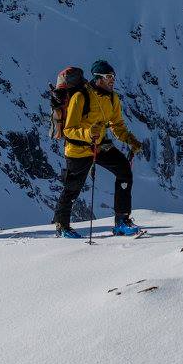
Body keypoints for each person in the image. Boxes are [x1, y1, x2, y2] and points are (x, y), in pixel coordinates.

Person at [51, 59, 144, 238]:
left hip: (99, 145)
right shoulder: (81, 97)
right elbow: (69, 130)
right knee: (72, 188)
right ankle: (62, 226)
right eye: (109, 77)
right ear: (98, 78)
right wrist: (88, 133)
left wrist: (129, 139)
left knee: (124, 170)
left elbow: (117, 124)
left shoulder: (113, 98)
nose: (112, 80)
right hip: (78, 149)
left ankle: (122, 221)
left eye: (113, 77)